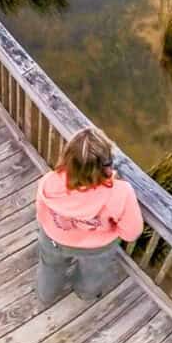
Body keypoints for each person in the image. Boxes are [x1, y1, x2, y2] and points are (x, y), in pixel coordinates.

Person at [35, 127, 144, 305]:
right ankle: (85, 294)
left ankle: (45, 295)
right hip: (97, 248)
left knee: (50, 268)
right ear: (106, 165)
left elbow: (41, 212)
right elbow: (131, 232)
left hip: (54, 239)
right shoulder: (121, 192)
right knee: (93, 273)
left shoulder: (50, 181)